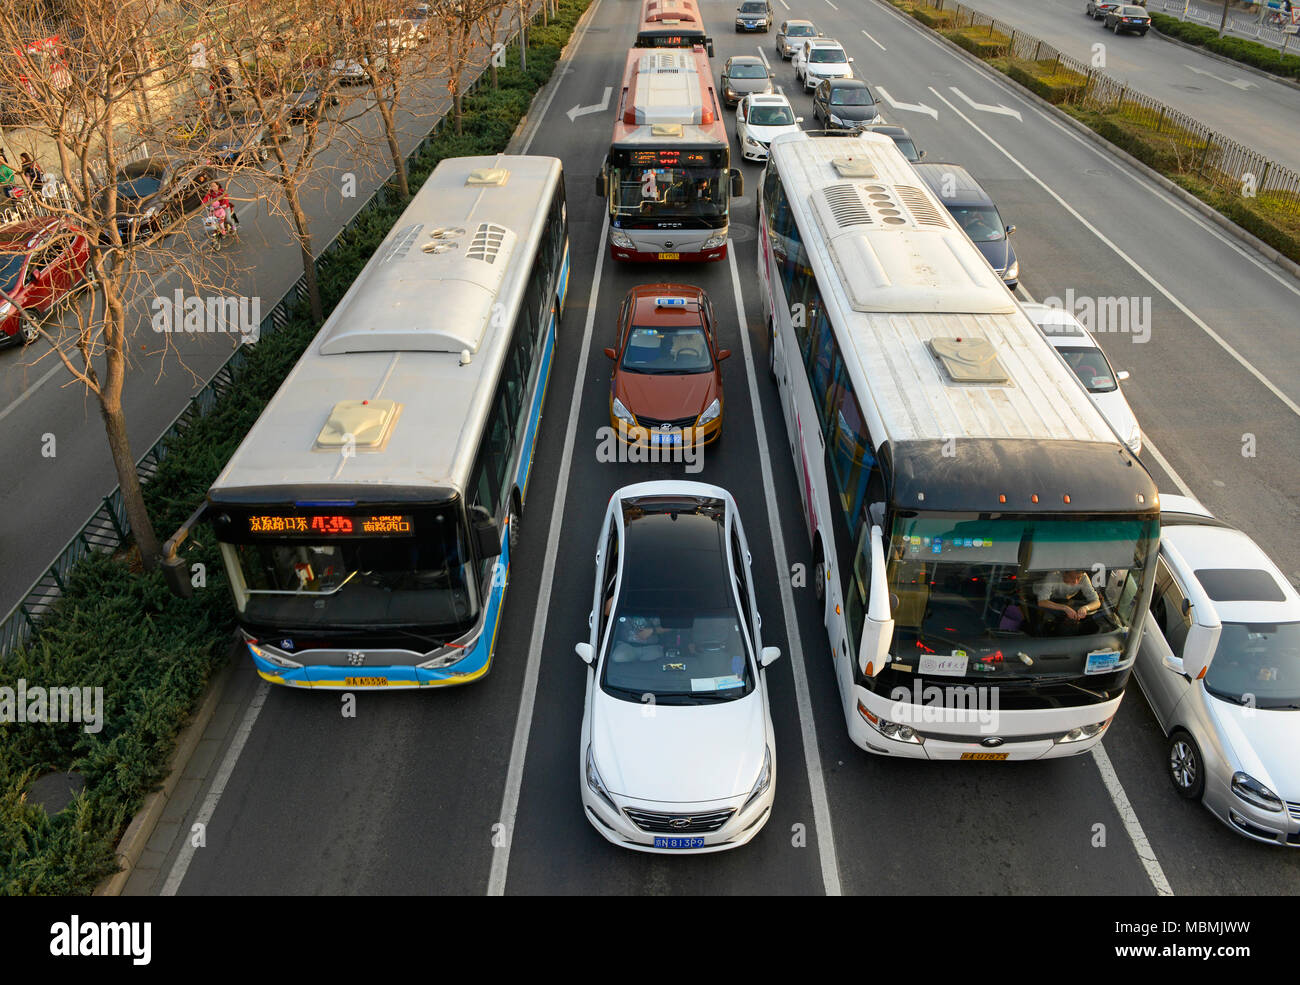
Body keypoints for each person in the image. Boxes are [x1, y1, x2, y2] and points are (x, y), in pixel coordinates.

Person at [1034, 570, 1101, 633]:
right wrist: (1065, 608)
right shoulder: (1052, 576)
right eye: (1072, 577)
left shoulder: (1083, 577)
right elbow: (1042, 602)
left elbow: (1097, 602)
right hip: (1036, 595)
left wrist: (1085, 608)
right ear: (1064, 573)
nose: (1076, 582)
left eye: (1078, 578)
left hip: (1063, 600)